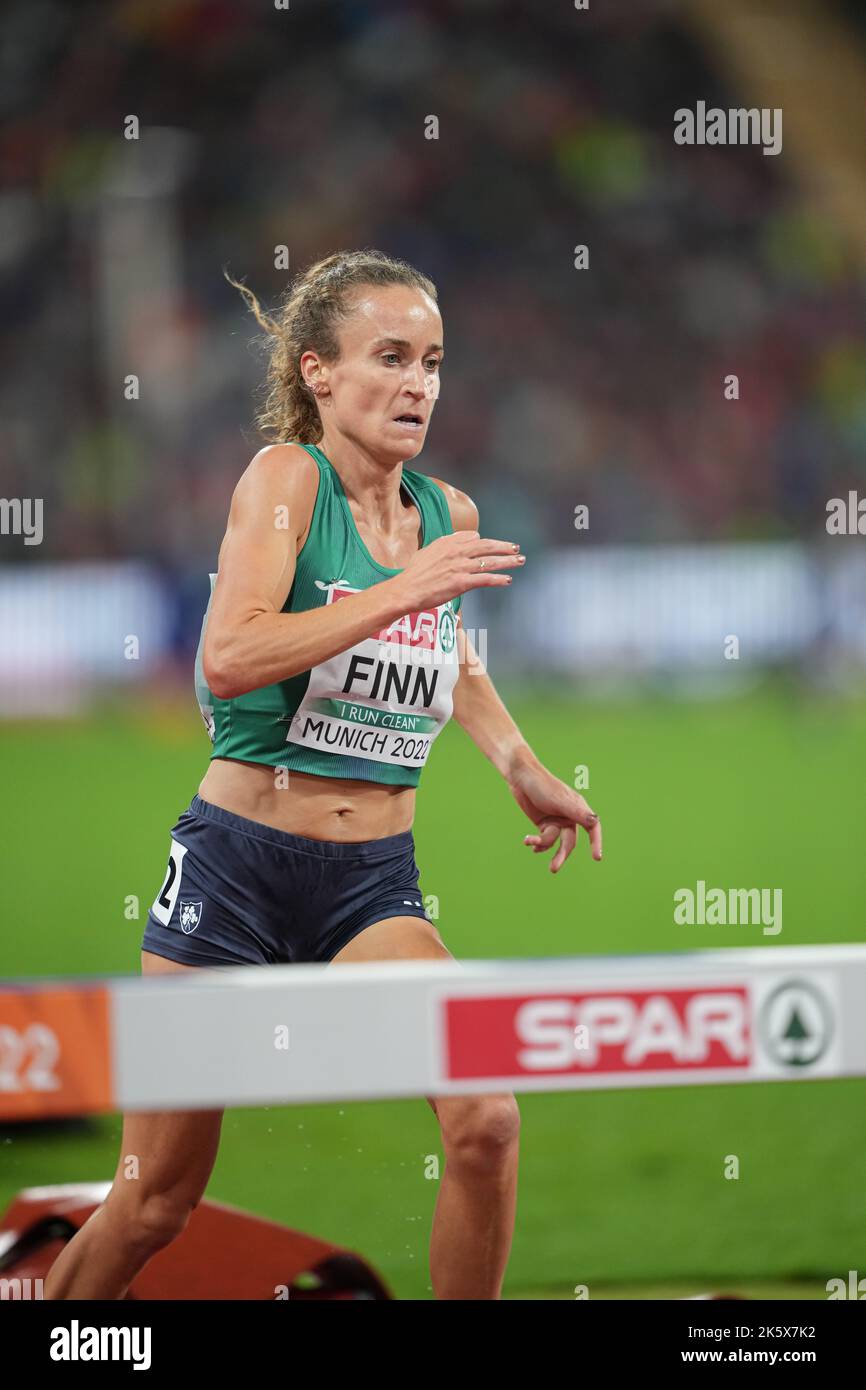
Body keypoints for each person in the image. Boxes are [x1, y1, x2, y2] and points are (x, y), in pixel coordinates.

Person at [44, 249, 601, 1302]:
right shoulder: (285, 481)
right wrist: (401, 591)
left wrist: (518, 762)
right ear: (319, 373)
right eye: (388, 357)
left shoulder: (447, 516)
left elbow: (450, 656)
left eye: (431, 361)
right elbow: (230, 654)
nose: (417, 384)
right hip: (235, 875)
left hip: (370, 887)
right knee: (153, 1202)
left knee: (484, 1119)